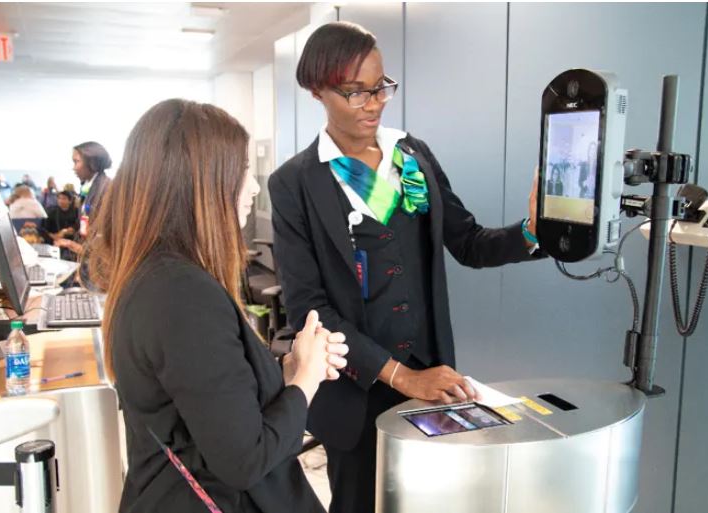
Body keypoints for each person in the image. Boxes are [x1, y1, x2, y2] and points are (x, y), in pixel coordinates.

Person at [268, 22, 542, 513]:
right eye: (356, 93)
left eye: (381, 87)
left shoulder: (409, 153)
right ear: (317, 91)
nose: (374, 103)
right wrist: (399, 376)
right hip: (356, 390)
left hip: (431, 380)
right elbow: (310, 310)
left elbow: (470, 242)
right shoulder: (295, 183)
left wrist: (534, 231)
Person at [87, 98, 348, 513]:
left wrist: (291, 369)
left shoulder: (157, 278)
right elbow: (245, 459)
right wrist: (308, 380)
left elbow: (211, 400)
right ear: (203, 183)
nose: (255, 187)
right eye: (244, 172)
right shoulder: (183, 296)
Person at [72, 140, 112, 220]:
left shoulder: (106, 188)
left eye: (76, 162)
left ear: (92, 162)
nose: (74, 168)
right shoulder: (86, 185)